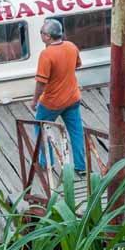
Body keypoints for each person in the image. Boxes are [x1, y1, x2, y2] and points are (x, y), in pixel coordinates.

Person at [29, 18, 86, 177]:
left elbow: (41, 82)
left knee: (40, 127)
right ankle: (81, 166)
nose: (40, 35)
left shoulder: (46, 54)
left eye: (41, 32)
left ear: (47, 36)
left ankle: (46, 162)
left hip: (52, 102)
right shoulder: (71, 46)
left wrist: (35, 101)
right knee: (76, 131)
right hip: (73, 98)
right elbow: (77, 65)